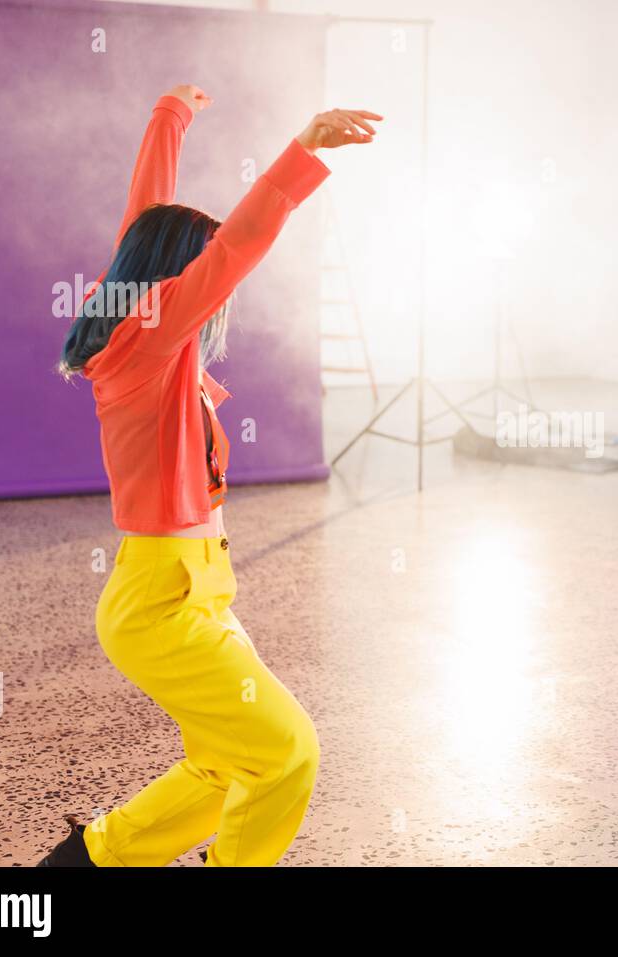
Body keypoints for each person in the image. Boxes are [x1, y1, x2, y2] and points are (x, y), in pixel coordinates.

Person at [40, 85, 382, 865]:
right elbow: (231, 250)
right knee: (289, 749)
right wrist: (301, 151)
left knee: (228, 761)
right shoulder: (149, 338)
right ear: (172, 277)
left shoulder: (133, 313)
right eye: (195, 275)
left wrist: (169, 117)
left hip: (193, 587)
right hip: (162, 601)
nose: (212, 296)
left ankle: (90, 857)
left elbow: (144, 221)